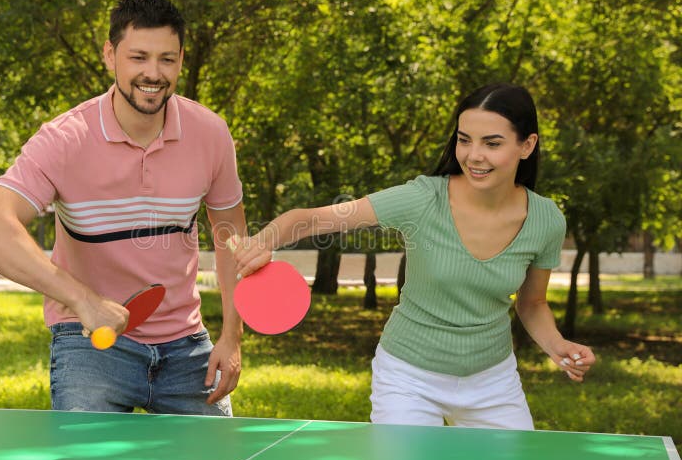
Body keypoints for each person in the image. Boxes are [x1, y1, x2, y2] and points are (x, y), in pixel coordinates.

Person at [231, 83, 595, 429]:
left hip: (492, 381)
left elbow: (532, 304)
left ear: (527, 145)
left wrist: (557, 345)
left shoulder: (546, 220)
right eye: (464, 140)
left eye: (492, 143)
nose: (474, 155)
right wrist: (265, 240)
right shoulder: (423, 199)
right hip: (409, 378)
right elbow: (309, 219)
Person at [0, 0, 246, 415]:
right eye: (138, 57)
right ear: (109, 55)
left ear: (181, 60)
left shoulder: (210, 133)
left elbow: (231, 238)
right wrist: (84, 301)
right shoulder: (64, 139)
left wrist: (232, 337)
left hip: (187, 347)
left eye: (167, 59)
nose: (153, 73)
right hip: (90, 342)